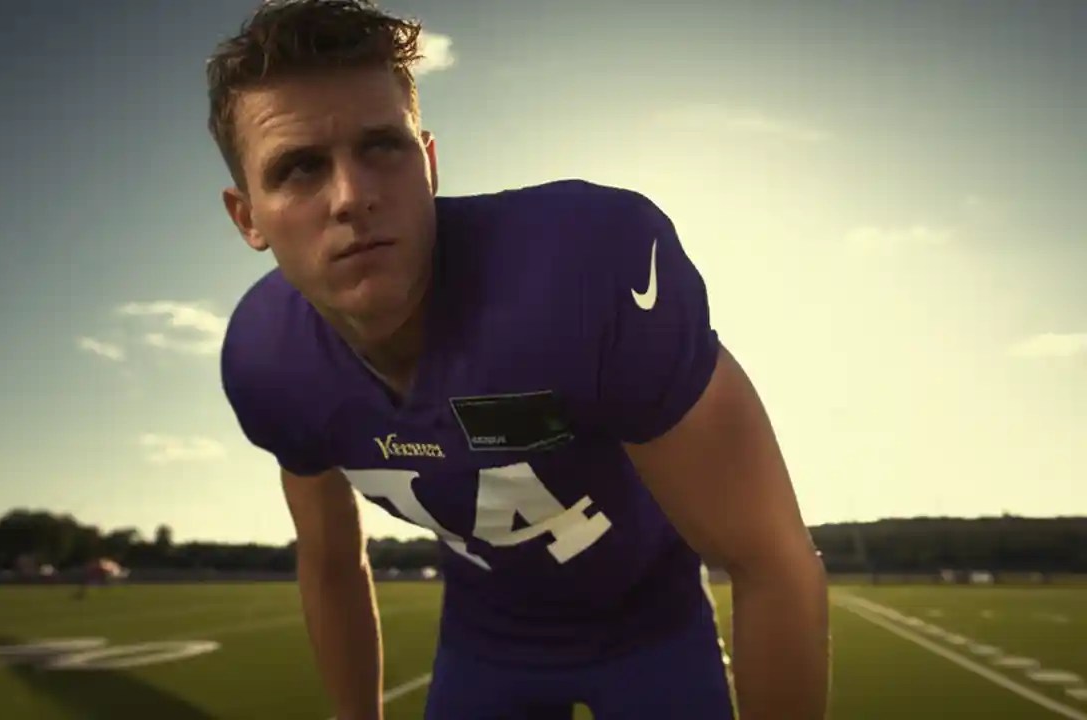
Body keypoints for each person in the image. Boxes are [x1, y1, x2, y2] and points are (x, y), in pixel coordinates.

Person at [207, 1, 830, 718]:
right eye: (299, 168)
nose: (351, 196)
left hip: (654, 630)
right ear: (247, 216)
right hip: (486, 645)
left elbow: (772, 562)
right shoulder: (269, 359)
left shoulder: (583, 270)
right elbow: (330, 562)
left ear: (429, 163)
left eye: (382, 147)